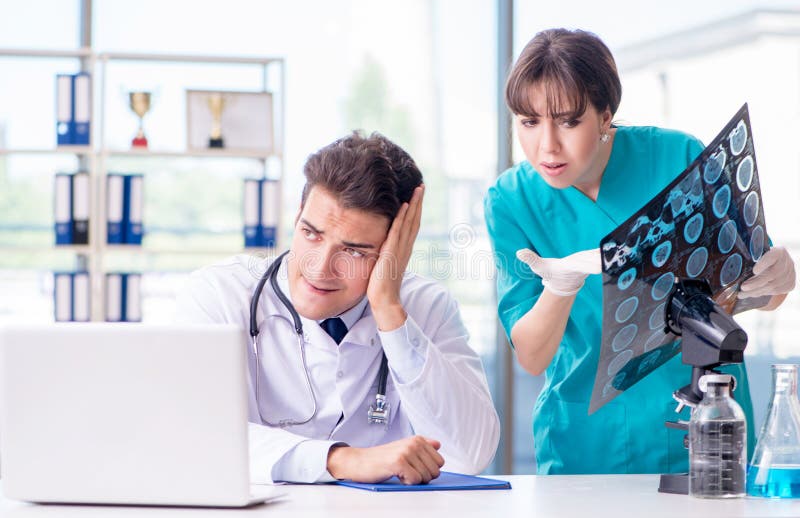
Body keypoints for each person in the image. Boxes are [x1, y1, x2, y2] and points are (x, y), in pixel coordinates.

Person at [484, 28, 796, 475]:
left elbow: (756, 290)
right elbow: (532, 356)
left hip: (703, 422)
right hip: (585, 439)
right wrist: (559, 288)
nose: (546, 146)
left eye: (569, 121)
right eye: (529, 122)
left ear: (606, 115)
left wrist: (781, 276)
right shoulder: (511, 200)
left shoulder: (678, 157)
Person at [176, 131, 500, 484]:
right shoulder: (219, 295)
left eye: (354, 251)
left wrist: (389, 310)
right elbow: (194, 434)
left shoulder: (424, 307)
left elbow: (470, 454)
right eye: (311, 233)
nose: (319, 267)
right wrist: (341, 460)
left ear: (396, 248)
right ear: (297, 215)